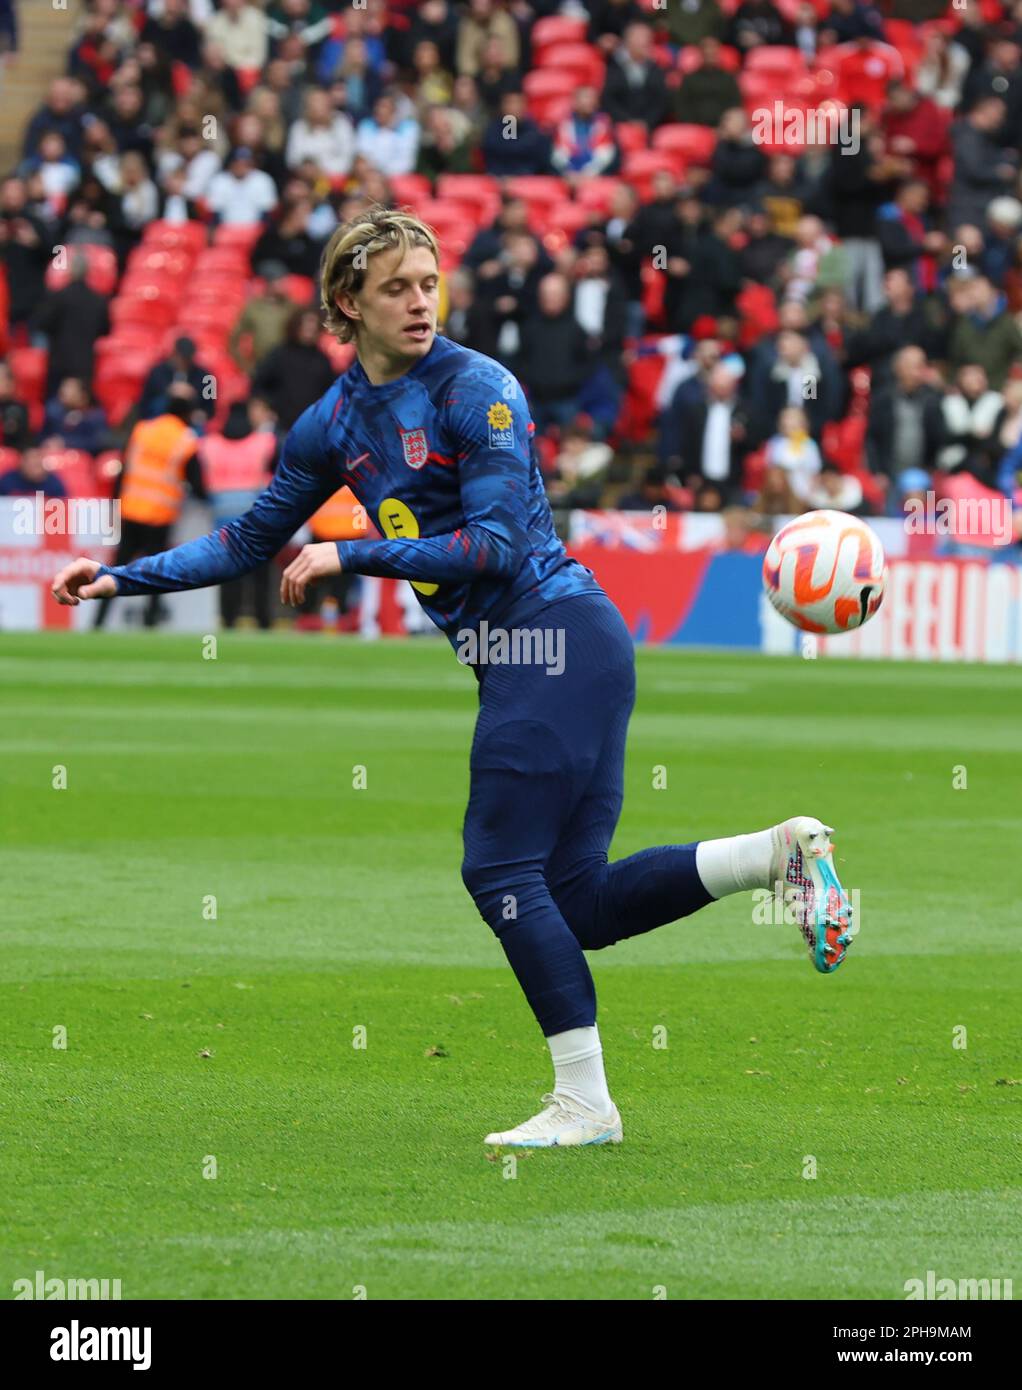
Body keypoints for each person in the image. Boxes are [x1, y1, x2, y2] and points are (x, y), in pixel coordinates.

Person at [53, 206, 855, 1149]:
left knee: (497, 868)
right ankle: (777, 856)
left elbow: (495, 544)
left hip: (553, 637)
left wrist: (348, 554)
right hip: (543, 655)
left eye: (429, 283)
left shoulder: (480, 390)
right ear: (346, 303)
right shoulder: (331, 423)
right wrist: (119, 573)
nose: (421, 302)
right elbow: (246, 539)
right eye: (397, 287)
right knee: (578, 902)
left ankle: (586, 1104)